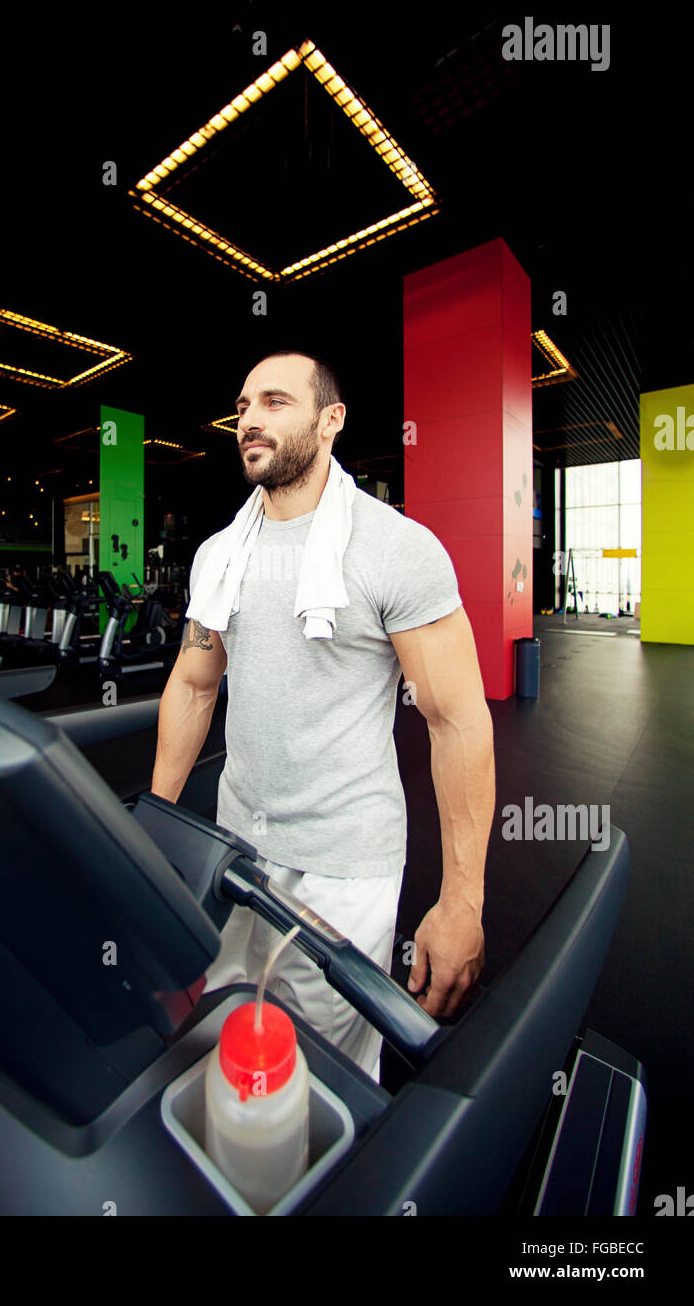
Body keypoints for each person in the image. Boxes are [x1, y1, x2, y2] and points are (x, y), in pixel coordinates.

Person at [150, 350, 495, 1083]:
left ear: (330, 419)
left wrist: (463, 899)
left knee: (321, 1075)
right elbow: (193, 684)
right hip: (233, 847)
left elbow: (457, 721)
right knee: (225, 1036)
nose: (249, 421)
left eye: (275, 402)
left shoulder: (395, 549)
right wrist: (159, 818)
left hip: (343, 868)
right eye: (242, 407)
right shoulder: (218, 554)